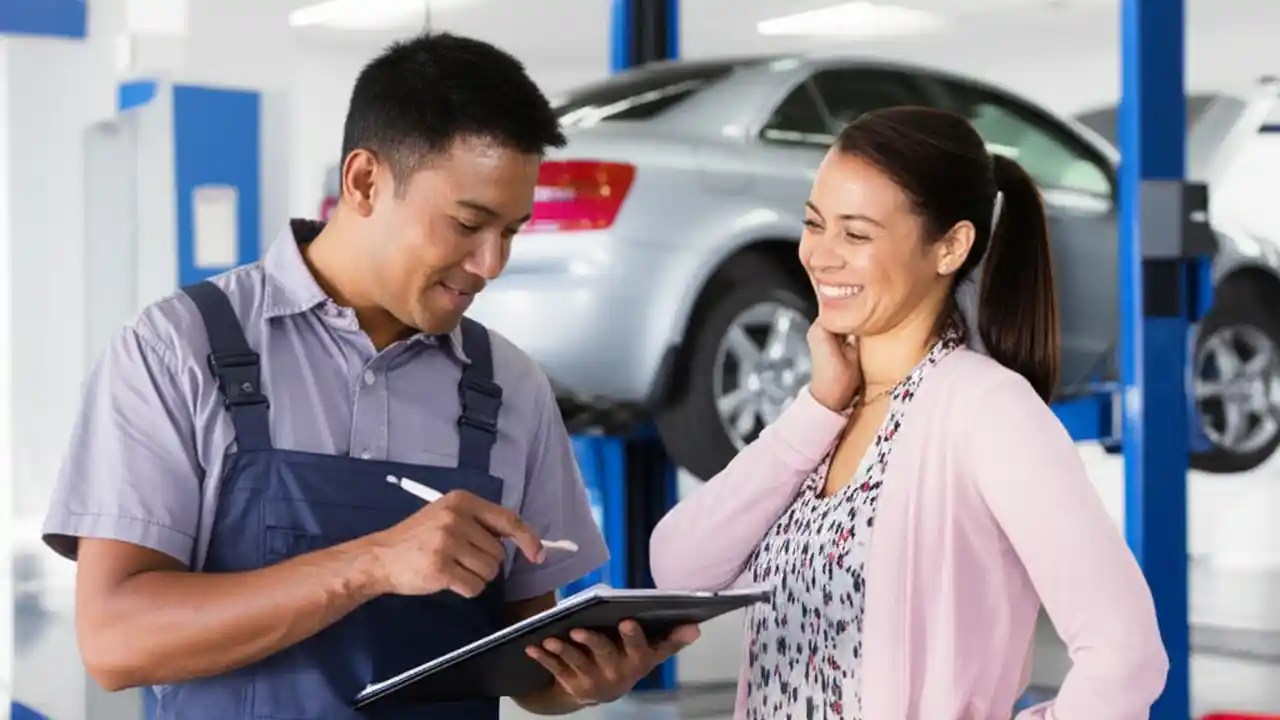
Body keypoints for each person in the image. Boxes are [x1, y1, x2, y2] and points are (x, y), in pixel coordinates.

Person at [42, 32, 698, 719]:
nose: (491, 264)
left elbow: (530, 665)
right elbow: (117, 641)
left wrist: (584, 680)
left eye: (512, 230)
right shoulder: (174, 351)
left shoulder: (511, 387)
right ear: (363, 182)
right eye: (468, 224)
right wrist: (373, 564)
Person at [648, 106, 1168, 719]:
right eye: (814, 224)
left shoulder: (987, 412)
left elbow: (1127, 654)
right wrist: (816, 408)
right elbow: (680, 567)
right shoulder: (826, 409)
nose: (820, 255)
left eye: (857, 234)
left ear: (950, 246)